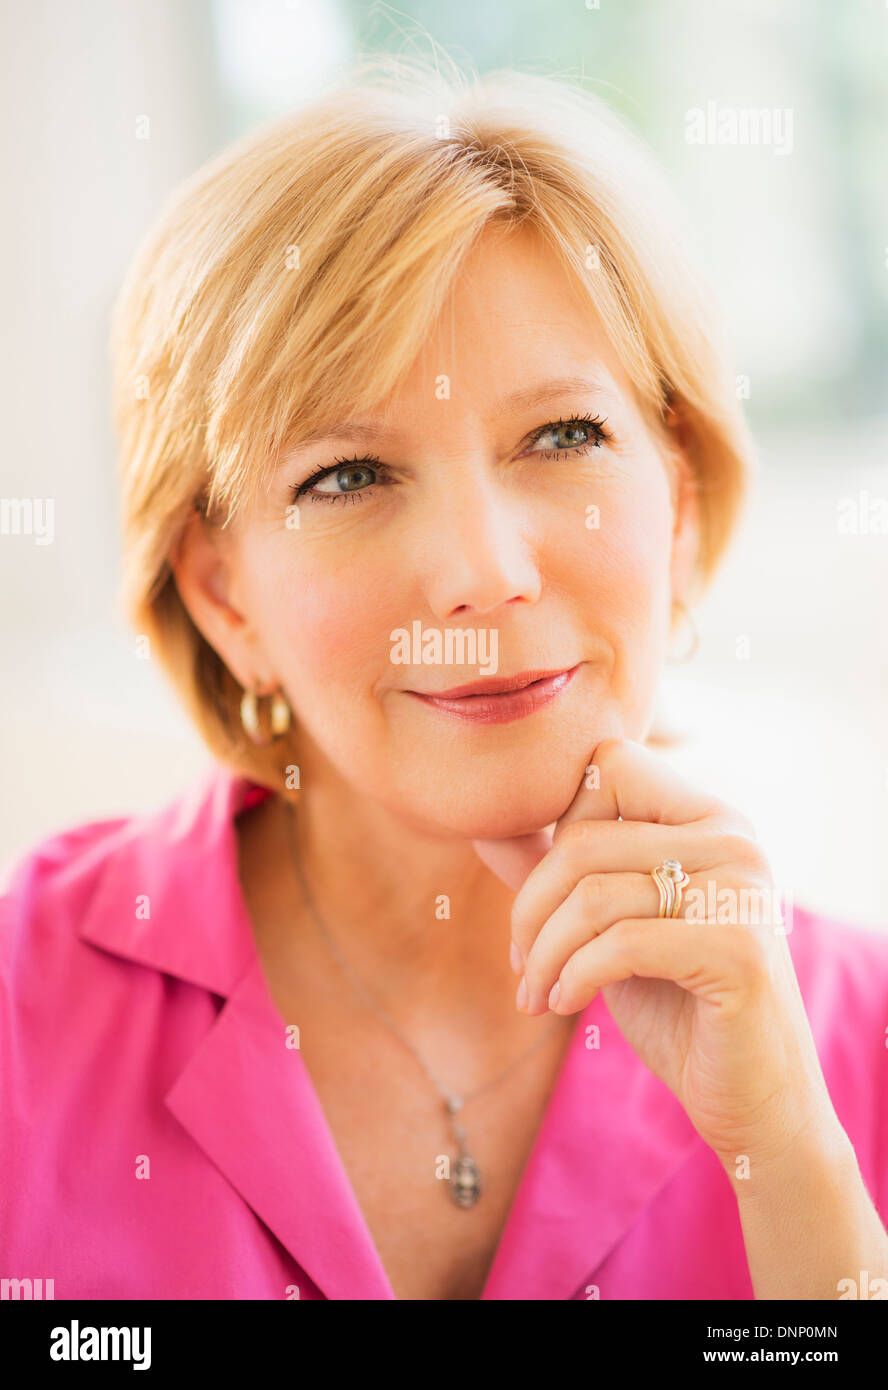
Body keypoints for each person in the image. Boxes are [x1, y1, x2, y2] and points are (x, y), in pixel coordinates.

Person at [2, 55, 887, 1303]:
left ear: (677, 512)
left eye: (563, 436)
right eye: (348, 476)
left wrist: (792, 1160)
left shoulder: (857, 1039)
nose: (483, 571)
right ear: (222, 593)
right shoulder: (21, 1019)